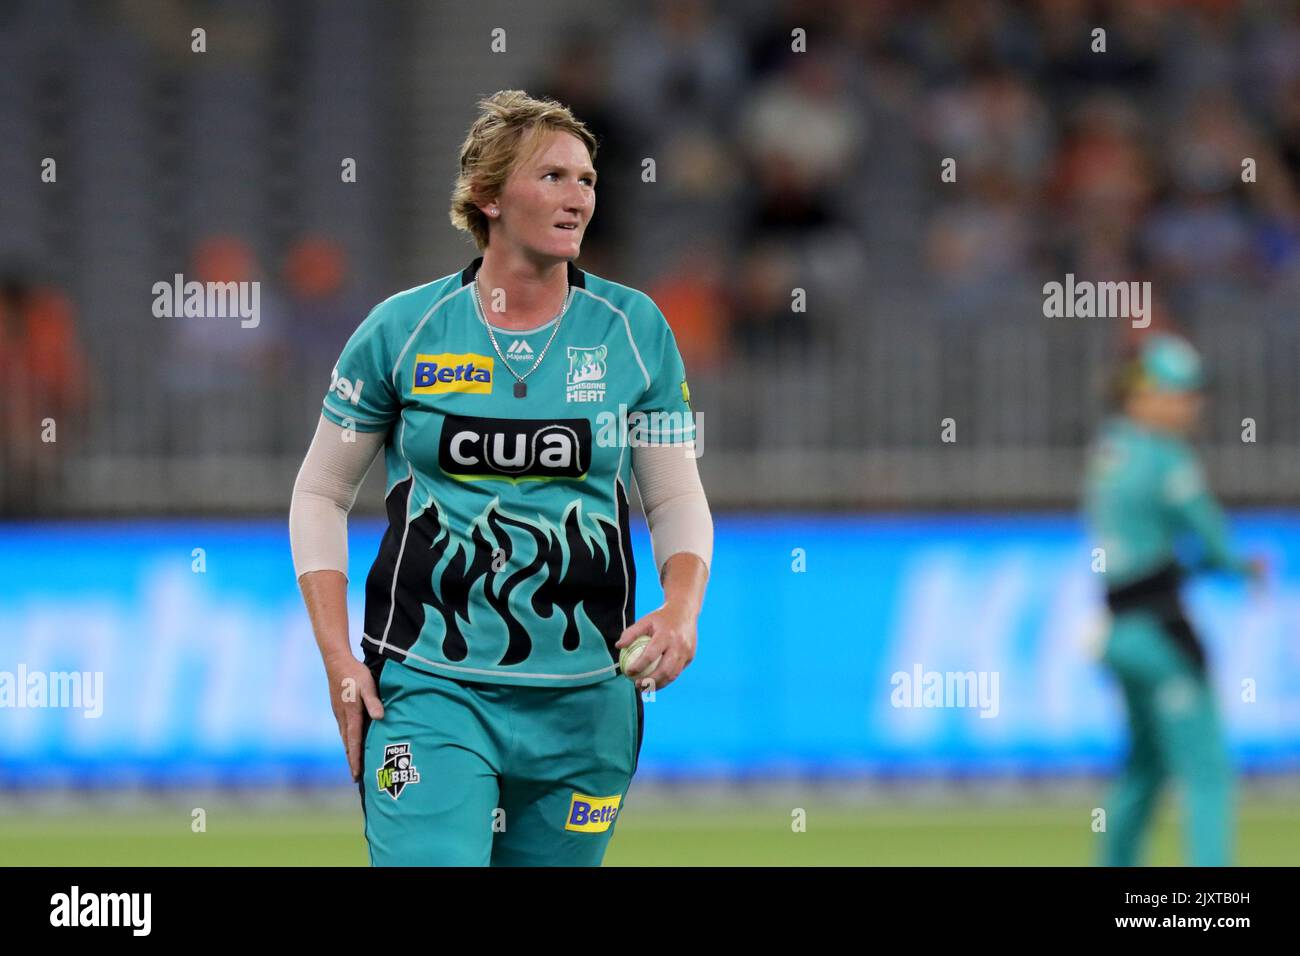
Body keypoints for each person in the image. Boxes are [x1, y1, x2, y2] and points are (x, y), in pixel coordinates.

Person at [289, 90, 712, 866]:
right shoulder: (402, 330)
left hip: (588, 696)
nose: (579, 196)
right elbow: (319, 493)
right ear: (488, 196)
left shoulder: (636, 330)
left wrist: (682, 609)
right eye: (552, 176)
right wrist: (337, 657)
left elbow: (676, 494)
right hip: (429, 686)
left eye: (586, 179)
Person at [1083, 333, 1262, 866]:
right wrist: (1241, 565)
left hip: (1116, 628)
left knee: (1143, 765)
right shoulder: (1165, 457)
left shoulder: (1109, 450)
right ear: (1147, 397)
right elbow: (1212, 541)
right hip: (1161, 630)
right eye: (1181, 393)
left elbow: (1144, 544)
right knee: (1206, 771)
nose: (1192, 406)